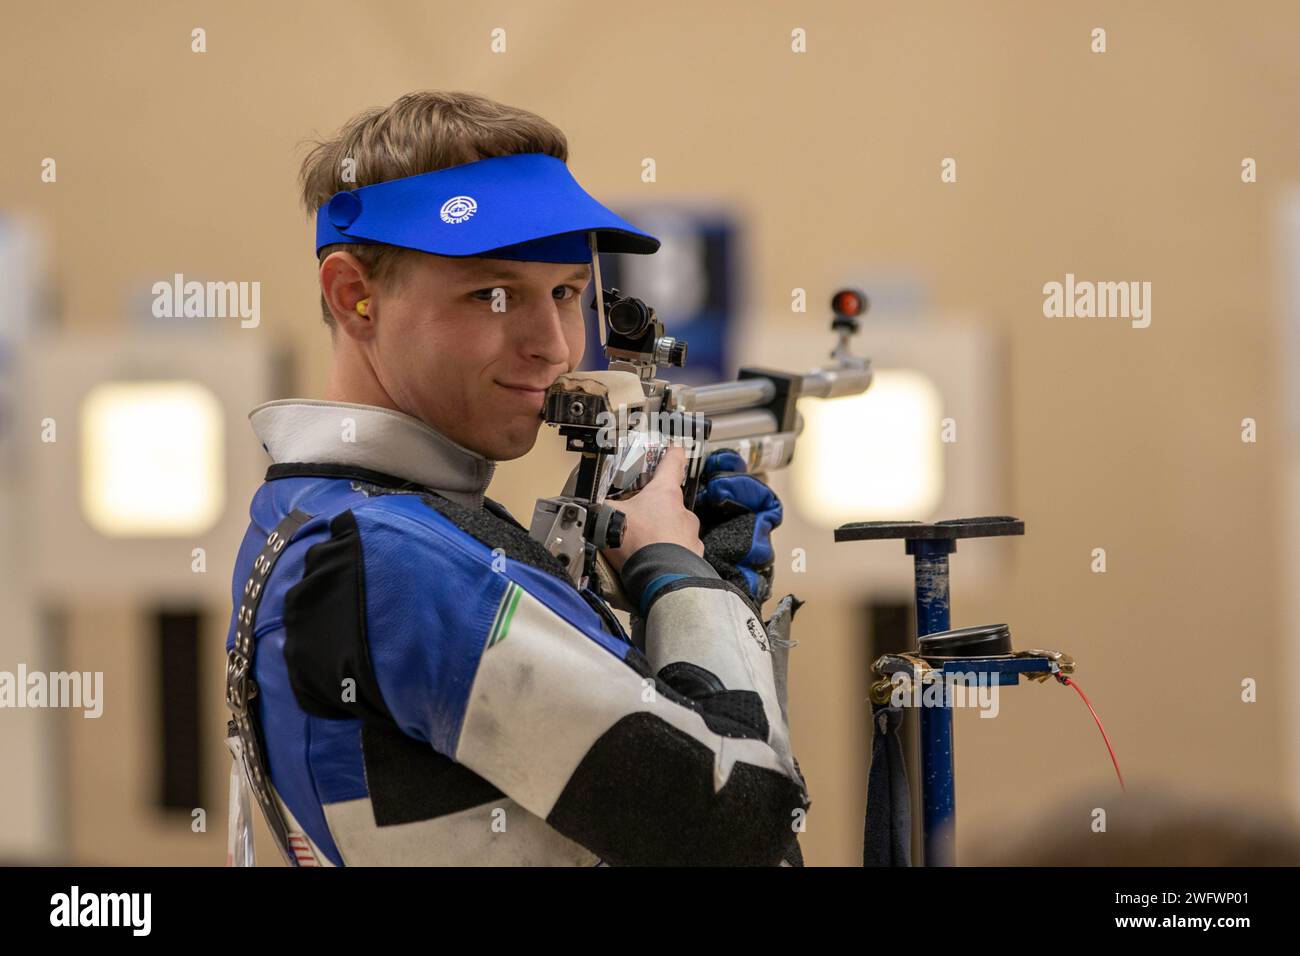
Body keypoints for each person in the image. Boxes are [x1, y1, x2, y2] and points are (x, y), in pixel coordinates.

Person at [224, 91, 808, 867]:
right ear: (352, 295)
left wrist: (683, 610)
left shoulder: (319, 516)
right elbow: (746, 822)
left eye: (568, 292)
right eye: (492, 296)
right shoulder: (389, 560)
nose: (555, 347)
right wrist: (682, 577)